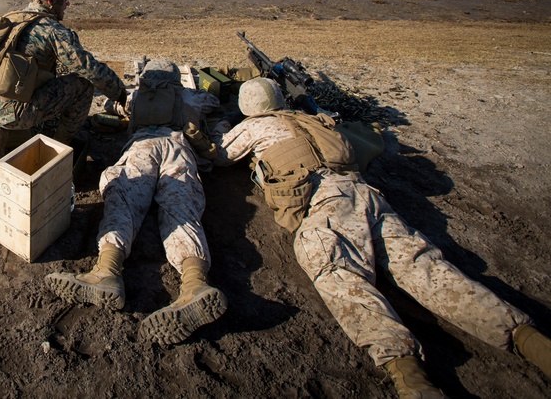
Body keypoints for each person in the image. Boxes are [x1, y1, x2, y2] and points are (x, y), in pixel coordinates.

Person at [188, 77, 551, 398]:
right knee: (426, 268)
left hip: (323, 204)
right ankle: (529, 340)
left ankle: (409, 375)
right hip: (367, 197)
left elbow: (221, 156)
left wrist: (222, 125)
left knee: (340, 278)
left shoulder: (255, 127)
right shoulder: (315, 120)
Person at [45, 60, 228, 345]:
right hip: (178, 149)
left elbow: (111, 106)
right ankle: (195, 283)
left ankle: (107, 270)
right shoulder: (190, 98)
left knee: (123, 197)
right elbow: (214, 102)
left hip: (141, 147)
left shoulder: (137, 96)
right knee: (182, 208)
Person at [0, 0, 126, 157]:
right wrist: (119, 93)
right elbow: (89, 68)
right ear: (50, 1)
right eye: (65, 0)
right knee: (83, 85)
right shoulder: (53, 31)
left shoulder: (10, 18)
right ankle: (56, 149)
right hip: (15, 113)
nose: (67, 5)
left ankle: (0, 134)